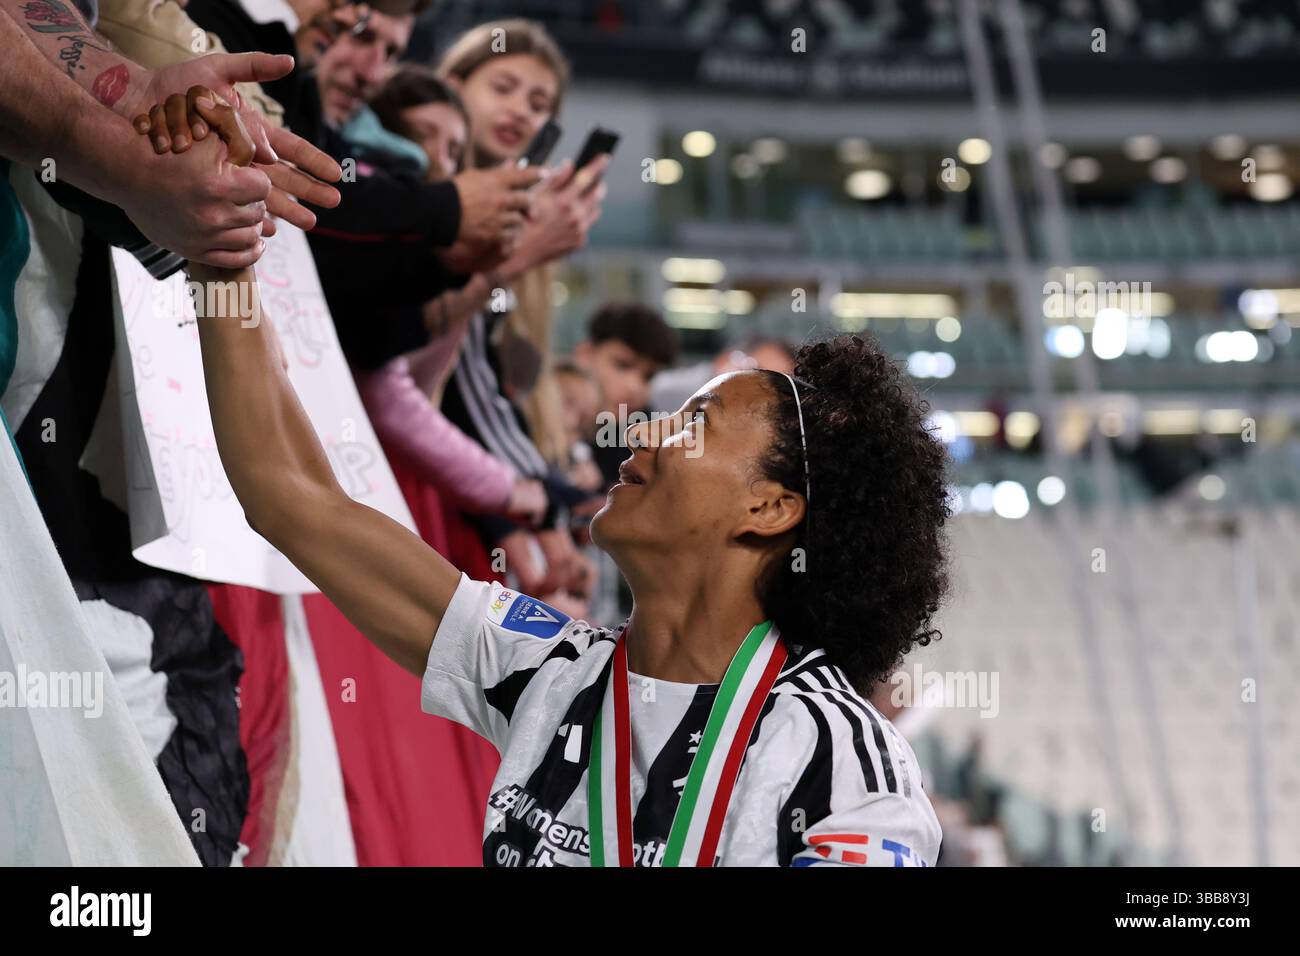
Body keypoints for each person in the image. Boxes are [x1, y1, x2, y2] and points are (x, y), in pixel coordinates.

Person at [172, 121, 951, 860]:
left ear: (770, 508)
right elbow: (291, 496)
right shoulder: (548, 668)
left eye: (694, 426)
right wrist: (221, 253)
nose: (643, 435)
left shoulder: (844, 767)